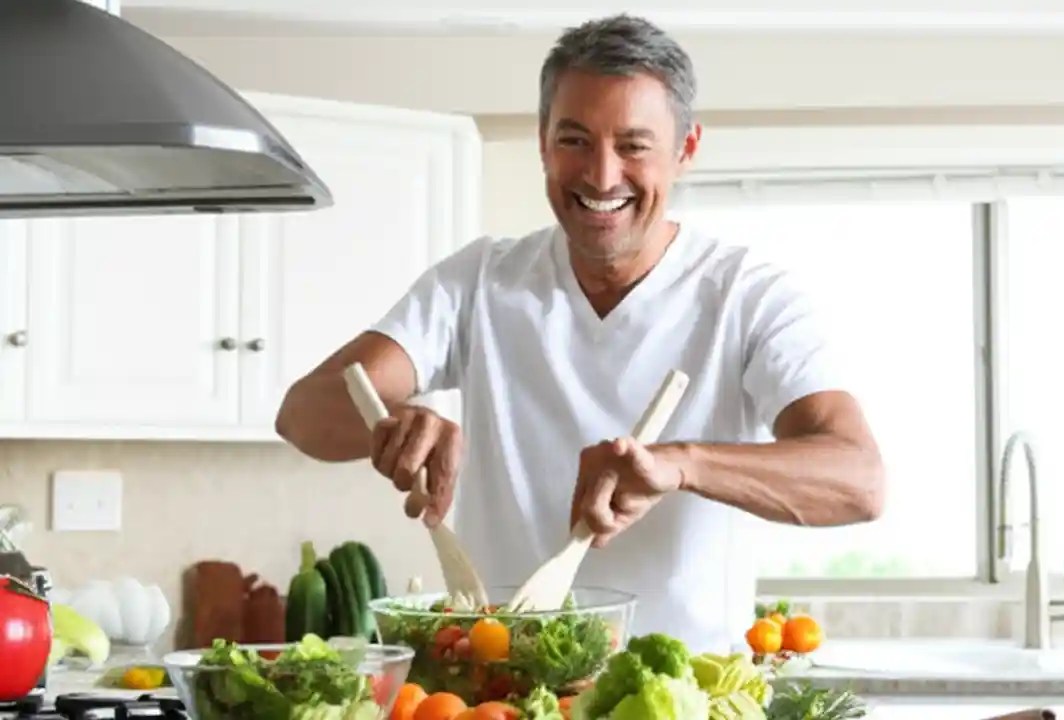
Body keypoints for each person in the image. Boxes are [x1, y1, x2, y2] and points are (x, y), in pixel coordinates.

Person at [275, 13, 885, 653]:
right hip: (507, 687)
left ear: (686, 150)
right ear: (542, 143)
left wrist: (680, 465)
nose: (600, 175)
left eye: (633, 144)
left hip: (687, 695)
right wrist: (394, 423)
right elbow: (300, 414)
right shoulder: (478, 283)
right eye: (574, 140)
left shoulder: (747, 297)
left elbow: (859, 480)